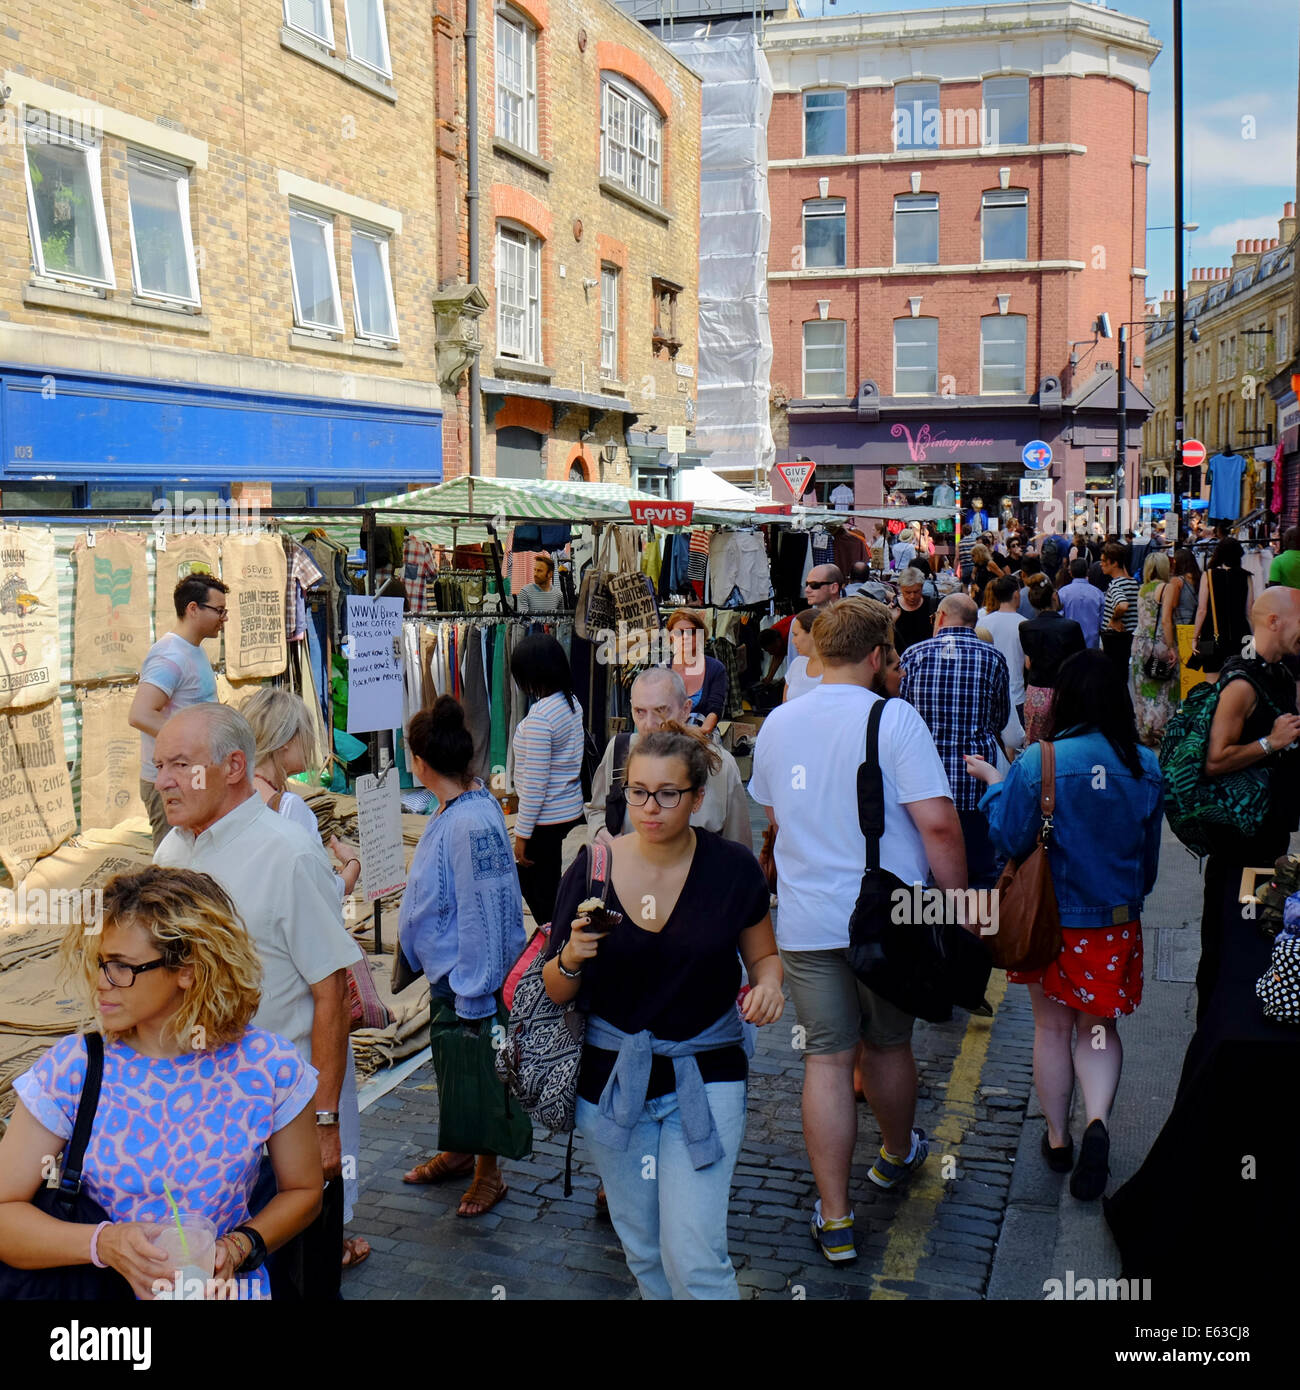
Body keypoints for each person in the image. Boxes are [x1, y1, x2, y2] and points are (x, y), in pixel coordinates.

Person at [750, 601, 968, 1262]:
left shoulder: (780, 723)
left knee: (826, 1055)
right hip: (890, 915)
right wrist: (952, 909)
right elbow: (937, 825)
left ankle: (837, 1218)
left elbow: (776, 818)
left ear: (817, 654)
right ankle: (896, 1156)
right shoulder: (894, 718)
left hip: (808, 916)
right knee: (889, 1044)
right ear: (878, 655)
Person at [0, 867, 323, 1300]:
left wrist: (239, 1246)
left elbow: (304, 1192)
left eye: (121, 967)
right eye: (100, 963)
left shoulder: (268, 1066)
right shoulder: (75, 1069)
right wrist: (103, 1244)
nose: (101, 982)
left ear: (187, 970)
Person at [543, 726, 785, 1299]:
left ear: (698, 797)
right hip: (611, 1083)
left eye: (668, 794)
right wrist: (573, 955)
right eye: (638, 792)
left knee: (695, 1256)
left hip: (707, 1074)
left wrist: (769, 987)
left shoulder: (732, 869)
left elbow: (765, 958)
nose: (650, 808)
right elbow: (554, 989)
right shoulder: (592, 867)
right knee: (645, 1250)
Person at [152, 704, 359, 1300]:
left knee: (298, 1282)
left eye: (181, 765)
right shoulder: (171, 854)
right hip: (197, 1124)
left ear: (235, 766)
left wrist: (323, 1124)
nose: (163, 779)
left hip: (281, 1132)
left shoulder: (287, 853)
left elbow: (332, 994)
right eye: (159, 764)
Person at [965, 650, 1163, 1201]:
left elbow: (1008, 838)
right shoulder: (1145, 765)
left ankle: (1057, 1139)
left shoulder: (1040, 761)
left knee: (1051, 1030)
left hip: (1048, 922)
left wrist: (995, 783)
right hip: (1114, 921)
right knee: (1098, 1030)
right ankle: (1096, 1120)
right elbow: (1147, 862)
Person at [241, 686, 368, 1270]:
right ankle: (325, 1239)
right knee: (321, 1143)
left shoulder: (252, 812)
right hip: (299, 1028)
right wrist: (348, 870)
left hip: (268, 1023)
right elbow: (321, 942)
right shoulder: (288, 815)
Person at [399, 698, 530, 1215]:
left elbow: (483, 908)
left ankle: (488, 1173)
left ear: (422, 763)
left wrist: (477, 987)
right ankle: (458, 1151)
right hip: (453, 972)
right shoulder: (462, 806)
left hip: (469, 977)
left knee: (481, 1072)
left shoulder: (468, 820)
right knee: (456, 1068)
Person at [1194, 586, 1300, 1021]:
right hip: (1239, 843)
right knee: (1230, 937)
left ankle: (1242, 1016)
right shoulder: (1240, 682)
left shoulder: (1280, 673)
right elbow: (1215, 759)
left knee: (1256, 933)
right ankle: (1217, 1027)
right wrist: (1270, 742)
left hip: (1268, 837)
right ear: (1273, 621)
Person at [899, 594, 1010, 889]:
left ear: (941, 616)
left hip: (925, 780)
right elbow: (999, 719)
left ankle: (934, 930)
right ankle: (976, 930)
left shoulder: (913, 655)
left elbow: (903, 714)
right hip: (975, 777)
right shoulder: (993, 657)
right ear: (974, 623)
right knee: (980, 868)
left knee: (927, 870)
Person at [585, 667, 752, 850]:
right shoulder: (619, 751)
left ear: (685, 709)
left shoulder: (719, 766)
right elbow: (596, 809)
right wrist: (600, 830)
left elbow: (739, 848)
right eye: (640, 711)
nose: (649, 724)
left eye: (661, 711)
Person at [128, 575, 226, 848]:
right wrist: (193, 743)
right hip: (171, 782)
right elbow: (141, 714)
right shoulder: (169, 656)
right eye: (219, 610)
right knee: (172, 870)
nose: (224, 618)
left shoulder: (193, 651)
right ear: (193, 609)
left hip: (189, 777)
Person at [243, 688, 361, 900]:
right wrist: (351, 867)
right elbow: (322, 891)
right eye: (306, 734)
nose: (310, 744)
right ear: (287, 741)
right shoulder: (289, 807)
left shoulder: (232, 792)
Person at [509, 633, 586, 926]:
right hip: (571, 814)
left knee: (544, 900)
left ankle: (554, 954)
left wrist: (522, 835)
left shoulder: (541, 717)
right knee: (564, 894)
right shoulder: (571, 703)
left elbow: (535, 786)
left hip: (546, 825)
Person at [1019, 575, 1087, 743]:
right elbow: (1080, 662)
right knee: (1066, 741)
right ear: (1054, 597)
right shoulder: (1071, 627)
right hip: (1064, 690)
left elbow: (1028, 662)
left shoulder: (1026, 627)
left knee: (1036, 743)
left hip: (1037, 690)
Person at [1129, 552, 1179, 748]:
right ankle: (1161, 728)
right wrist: (1171, 646)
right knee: (1163, 687)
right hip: (1157, 642)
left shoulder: (1142, 588)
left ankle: (1145, 731)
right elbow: (1166, 619)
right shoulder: (1167, 588)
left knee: (1143, 687)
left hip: (1139, 642)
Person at [1191, 537, 1254, 679]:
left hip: (1210, 635)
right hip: (1241, 635)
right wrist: (1254, 637)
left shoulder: (1208, 575)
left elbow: (1202, 610)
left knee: (1212, 680)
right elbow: (1249, 611)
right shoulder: (1246, 576)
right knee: (1241, 678)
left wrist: (1195, 636)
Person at [664, 609, 727, 736]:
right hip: (667, 739)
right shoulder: (661, 670)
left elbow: (714, 710)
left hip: (703, 738)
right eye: (679, 632)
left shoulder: (715, 668)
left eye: (691, 632)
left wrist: (699, 733)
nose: (685, 637)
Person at [982, 574, 1028, 725]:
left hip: (987, 693)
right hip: (1016, 694)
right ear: (1016, 594)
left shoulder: (983, 622)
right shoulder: (1024, 625)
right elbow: (1028, 663)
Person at [1099, 541, 1139, 678]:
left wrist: (1114, 619)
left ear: (1114, 563)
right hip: (1129, 637)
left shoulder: (1115, 584)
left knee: (1113, 678)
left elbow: (1122, 605)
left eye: (1104, 561)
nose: (1101, 564)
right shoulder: (1134, 582)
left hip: (1114, 640)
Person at [888, 567, 936, 657]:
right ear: (901, 589)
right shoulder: (894, 608)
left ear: (922, 587)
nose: (912, 596)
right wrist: (891, 621)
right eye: (908, 592)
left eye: (916, 591)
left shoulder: (931, 605)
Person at [1057, 557, 1104, 649]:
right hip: (1092, 643)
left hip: (1069, 642)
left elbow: (1059, 618)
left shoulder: (1063, 593)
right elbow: (1102, 621)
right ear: (1087, 571)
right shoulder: (1098, 593)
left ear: (1070, 572)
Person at [783, 607, 825, 702]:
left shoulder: (835, 668)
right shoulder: (797, 664)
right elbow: (784, 705)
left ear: (813, 633)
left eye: (796, 635)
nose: (793, 641)